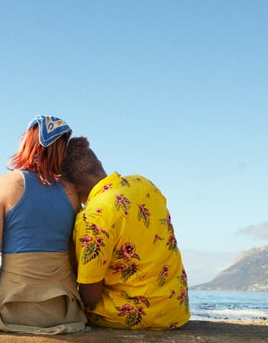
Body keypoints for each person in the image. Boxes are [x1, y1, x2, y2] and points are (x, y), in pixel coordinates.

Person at [0, 116, 86, 334]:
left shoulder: (0, 186)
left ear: (27, 143)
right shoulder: (74, 193)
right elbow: (76, 264)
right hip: (63, 312)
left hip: (10, 310)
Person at [61, 137, 190, 329]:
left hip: (136, 316)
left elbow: (91, 296)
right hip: (175, 309)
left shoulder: (92, 218)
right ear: (100, 165)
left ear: (72, 187)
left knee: (60, 310)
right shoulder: (143, 183)